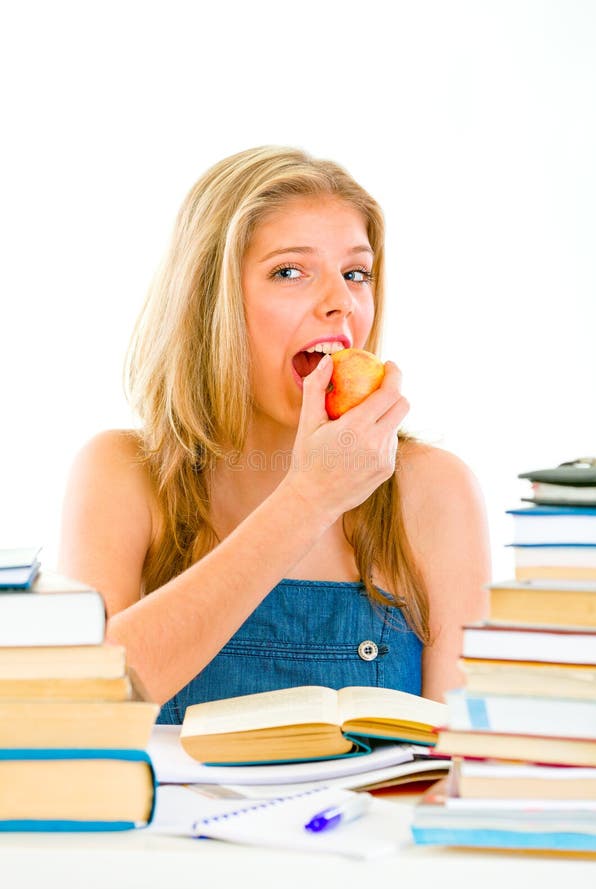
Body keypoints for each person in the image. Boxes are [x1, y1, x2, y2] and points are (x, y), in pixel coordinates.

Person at [58, 146, 490, 722]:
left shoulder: (435, 489)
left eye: (356, 273)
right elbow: (85, 710)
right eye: (290, 271)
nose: (340, 302)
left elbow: (458, 771)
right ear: (211, 304)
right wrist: (308, 499)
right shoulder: (120, 473)